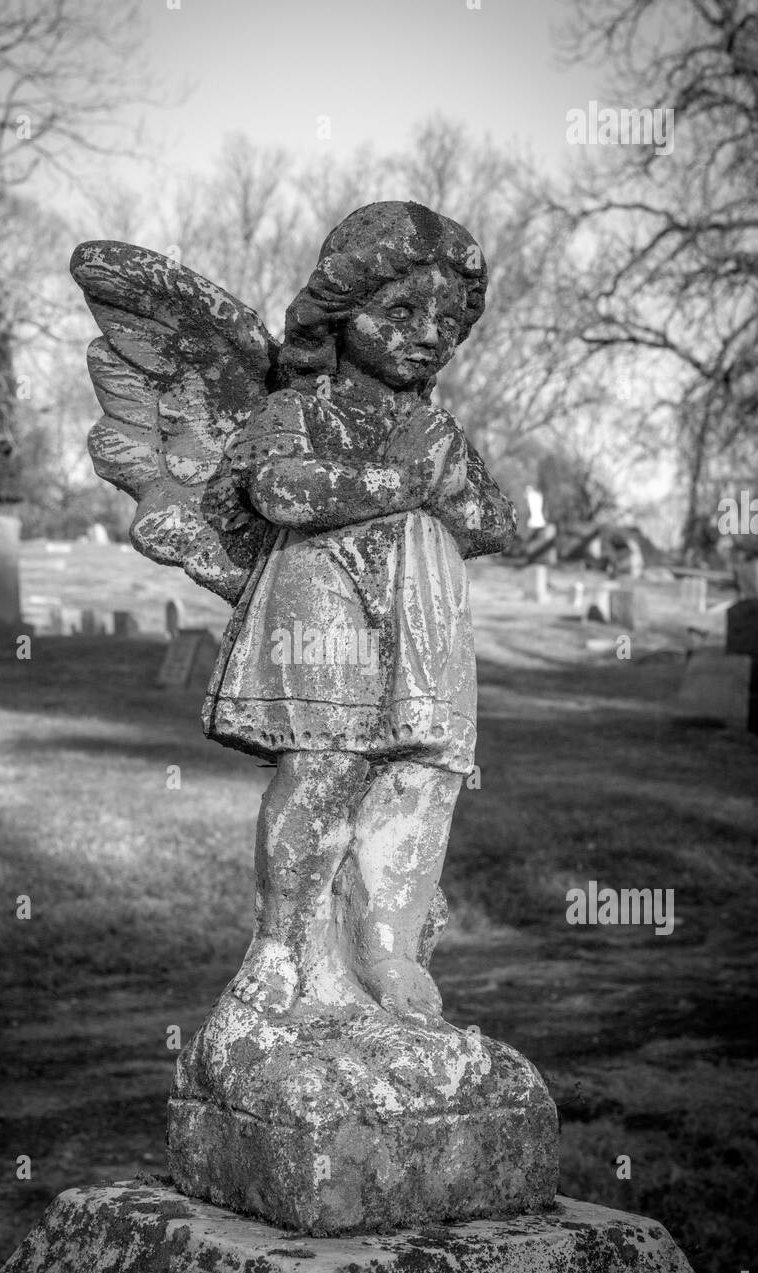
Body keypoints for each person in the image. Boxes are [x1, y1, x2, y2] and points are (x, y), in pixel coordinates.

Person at [202, 202, 516, 1021]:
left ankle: (386, 946)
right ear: (340, 314)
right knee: (325, 763)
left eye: (449, 320)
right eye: (403, 311)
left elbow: (492, 522)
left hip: (420, 605)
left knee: (420, 773)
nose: (428, 334)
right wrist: (401, 485)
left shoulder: (431, 424)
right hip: (322, 596)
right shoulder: (298, 411)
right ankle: (282, 944)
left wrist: (441, 481)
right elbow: (280, 489)